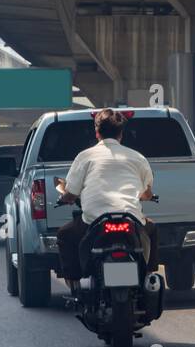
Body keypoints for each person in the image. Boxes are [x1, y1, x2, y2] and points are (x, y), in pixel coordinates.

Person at [55, 109, 158, 294]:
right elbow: (147, 193)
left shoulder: (85, 157)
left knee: (64, 234)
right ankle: (149, 278)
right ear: (121, 133)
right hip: (131, 220)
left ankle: (75, 286)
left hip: (93, 221)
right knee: (152, 229)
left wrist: (65, 198)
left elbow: (71, 193)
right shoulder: (137, 157)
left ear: (97, 133)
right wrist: (142, 195)